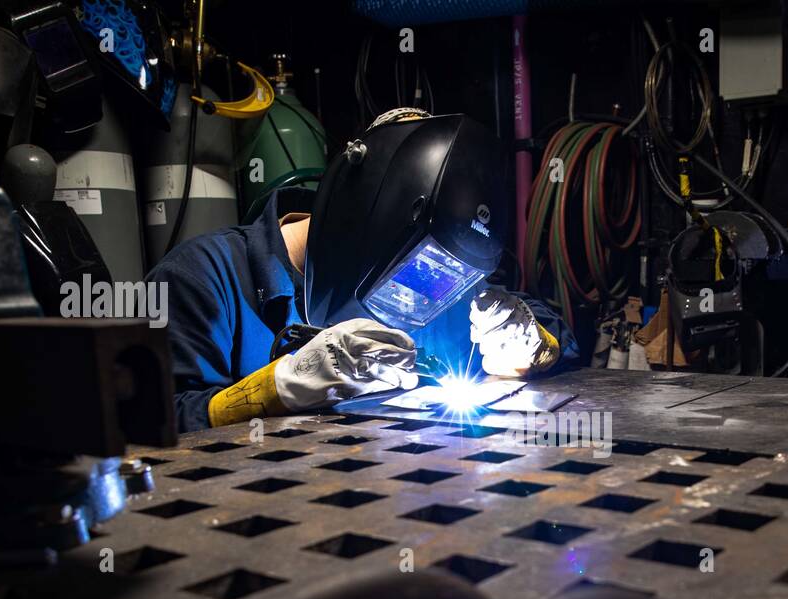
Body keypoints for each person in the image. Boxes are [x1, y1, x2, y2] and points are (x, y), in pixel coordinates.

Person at [151, 111, 574, 433]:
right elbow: (145, 424)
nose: (419, 292)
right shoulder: (200, 279)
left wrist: (529, 345)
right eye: (413, 269)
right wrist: (270, 392)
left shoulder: (434, 281)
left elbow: (564, 338)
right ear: (358, 215)